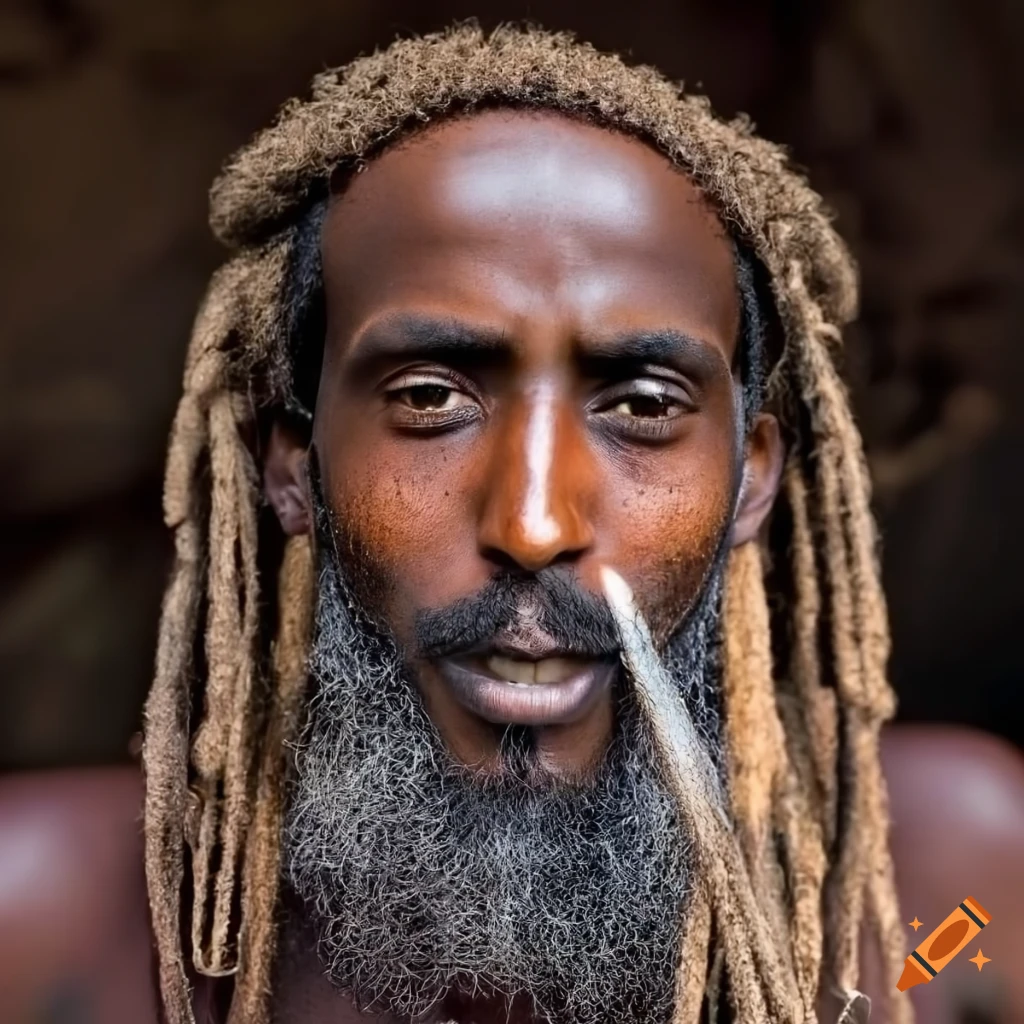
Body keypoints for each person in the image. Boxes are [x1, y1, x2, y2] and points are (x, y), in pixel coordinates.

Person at [3, 23, 1024, 1024]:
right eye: (431, 397)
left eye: (642, 405)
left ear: (749, 482)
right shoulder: (46, 925)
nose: (534, 522)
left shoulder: (951, 897)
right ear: (294, 465)